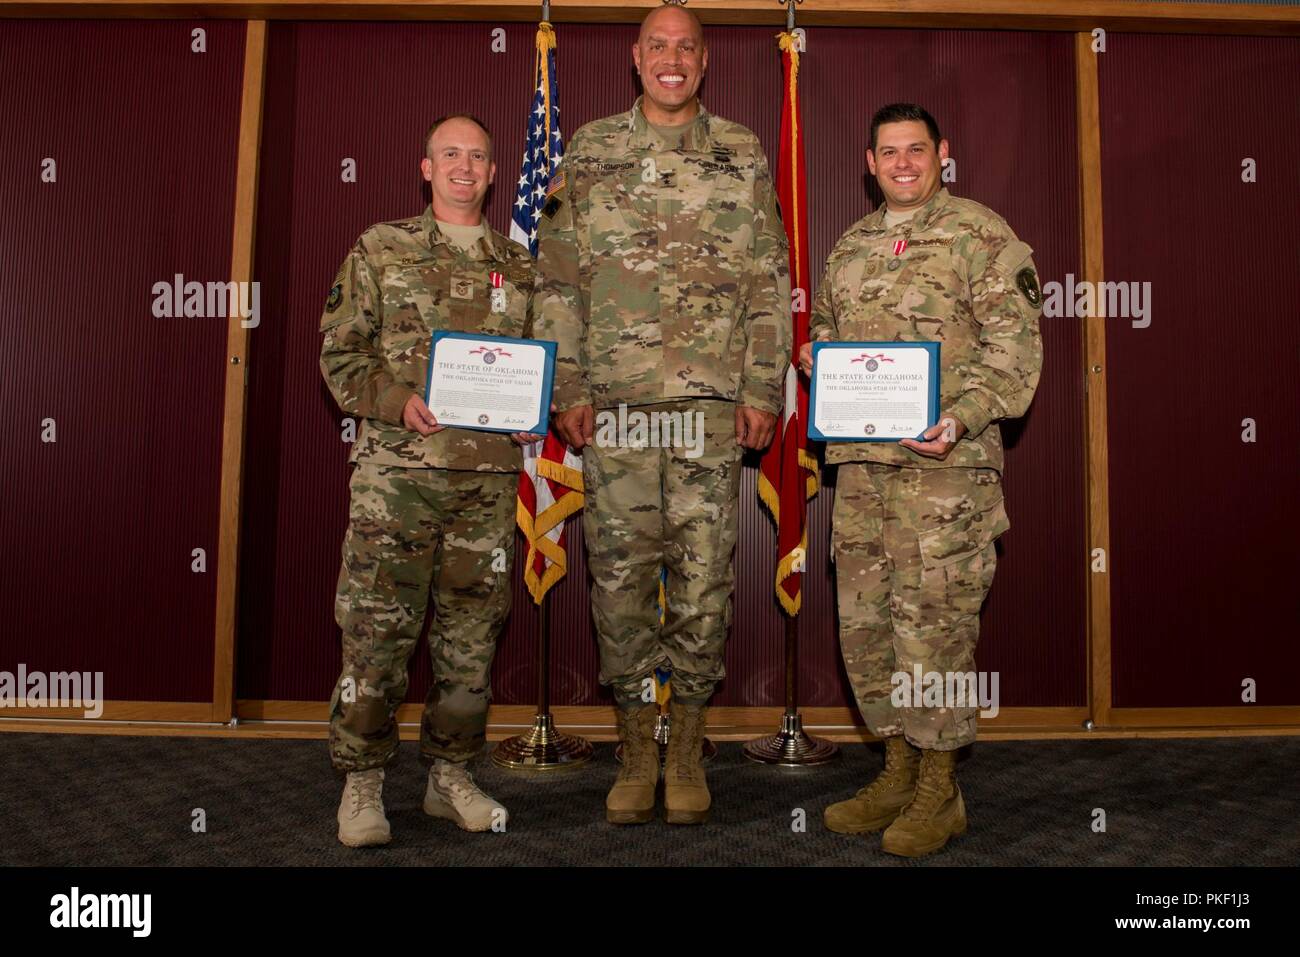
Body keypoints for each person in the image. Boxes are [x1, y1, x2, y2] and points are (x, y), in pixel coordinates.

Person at [536, 4, 790, 825]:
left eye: (686, 48)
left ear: (704, 62)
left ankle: (686, 742)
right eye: (658, 47)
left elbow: (766, 278)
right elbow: (558, 278)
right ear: (635, 58)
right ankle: (634, 743)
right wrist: (567, 387)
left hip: (711, 411)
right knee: (616, 583)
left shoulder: (741, 151)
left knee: (705, 582)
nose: (671, 60)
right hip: (616, 409)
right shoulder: (592, 150)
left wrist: (760, 388)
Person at [802, 103, 1043, 857]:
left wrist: (965, 414)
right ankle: (898, 771)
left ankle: (941, 789)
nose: (903, 163)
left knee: (935, 633)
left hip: (947, 476)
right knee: (869, 631)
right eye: (888, 152)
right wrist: (816, 355)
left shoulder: (981, 234)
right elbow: (826, 329)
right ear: (868, 162)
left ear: (943, 152)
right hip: (865, 475)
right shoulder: (851, 245)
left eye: (916, 149)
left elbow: (1015, 349)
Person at [320, 115, 537, 847]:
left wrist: (534, 413)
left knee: (471, 642)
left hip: (487, 483)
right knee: (376, 635)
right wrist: (392, 400)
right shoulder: (382, 248)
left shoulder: (521, 264)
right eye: (451, 155)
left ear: (494, 171)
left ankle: (452, 776)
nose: (464, 167)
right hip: (397, 481)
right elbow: (341, 354)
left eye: (478, 155)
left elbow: (545, 365)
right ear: (426, 167)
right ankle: (362, 782)